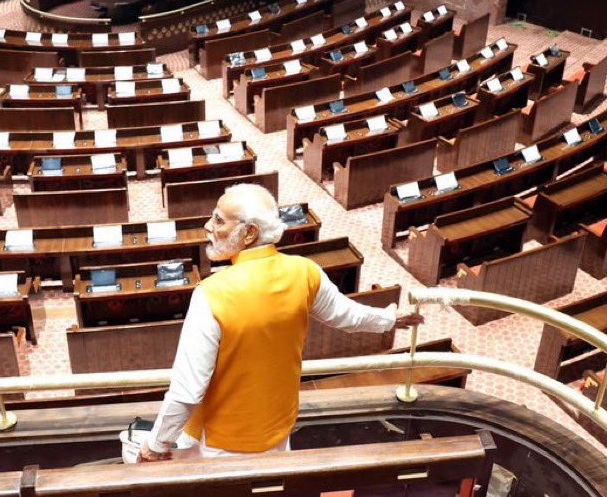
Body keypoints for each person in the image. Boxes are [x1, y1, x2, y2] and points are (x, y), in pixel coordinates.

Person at [138, 184, 424, 462]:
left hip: (223, 442)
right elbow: (346, 315)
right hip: (280, 430)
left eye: (218, 220)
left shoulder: (210, 294)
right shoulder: (304, 271)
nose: (207, 226)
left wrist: (157, 443)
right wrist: (388, 318)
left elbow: (187, 389)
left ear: (249, 233)